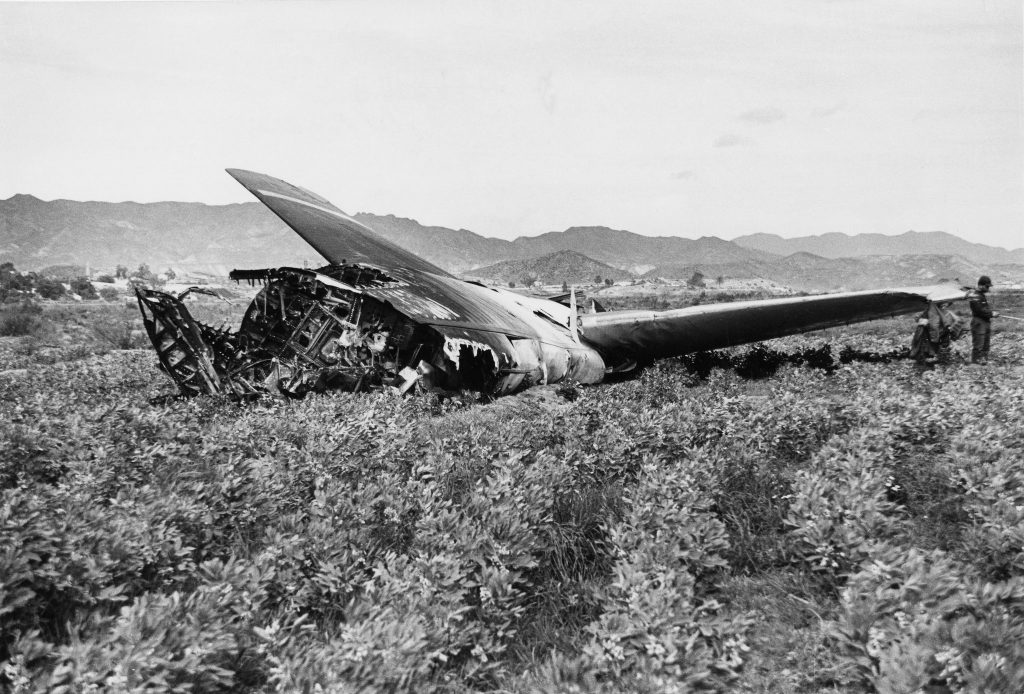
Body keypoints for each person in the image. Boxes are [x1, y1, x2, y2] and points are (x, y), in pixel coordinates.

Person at [969, 275, 997, 364]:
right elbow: (979, 310)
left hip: (985, 321)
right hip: (979, 322)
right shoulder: (975, 296)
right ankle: (975, 364)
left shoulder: (981, 295)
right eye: (987, 286)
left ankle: (984, 361)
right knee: (979, 344)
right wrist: (991, 314)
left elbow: (984, 309)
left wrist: (991, 313)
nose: (988, 288)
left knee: (986, 344)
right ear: (981, 285)